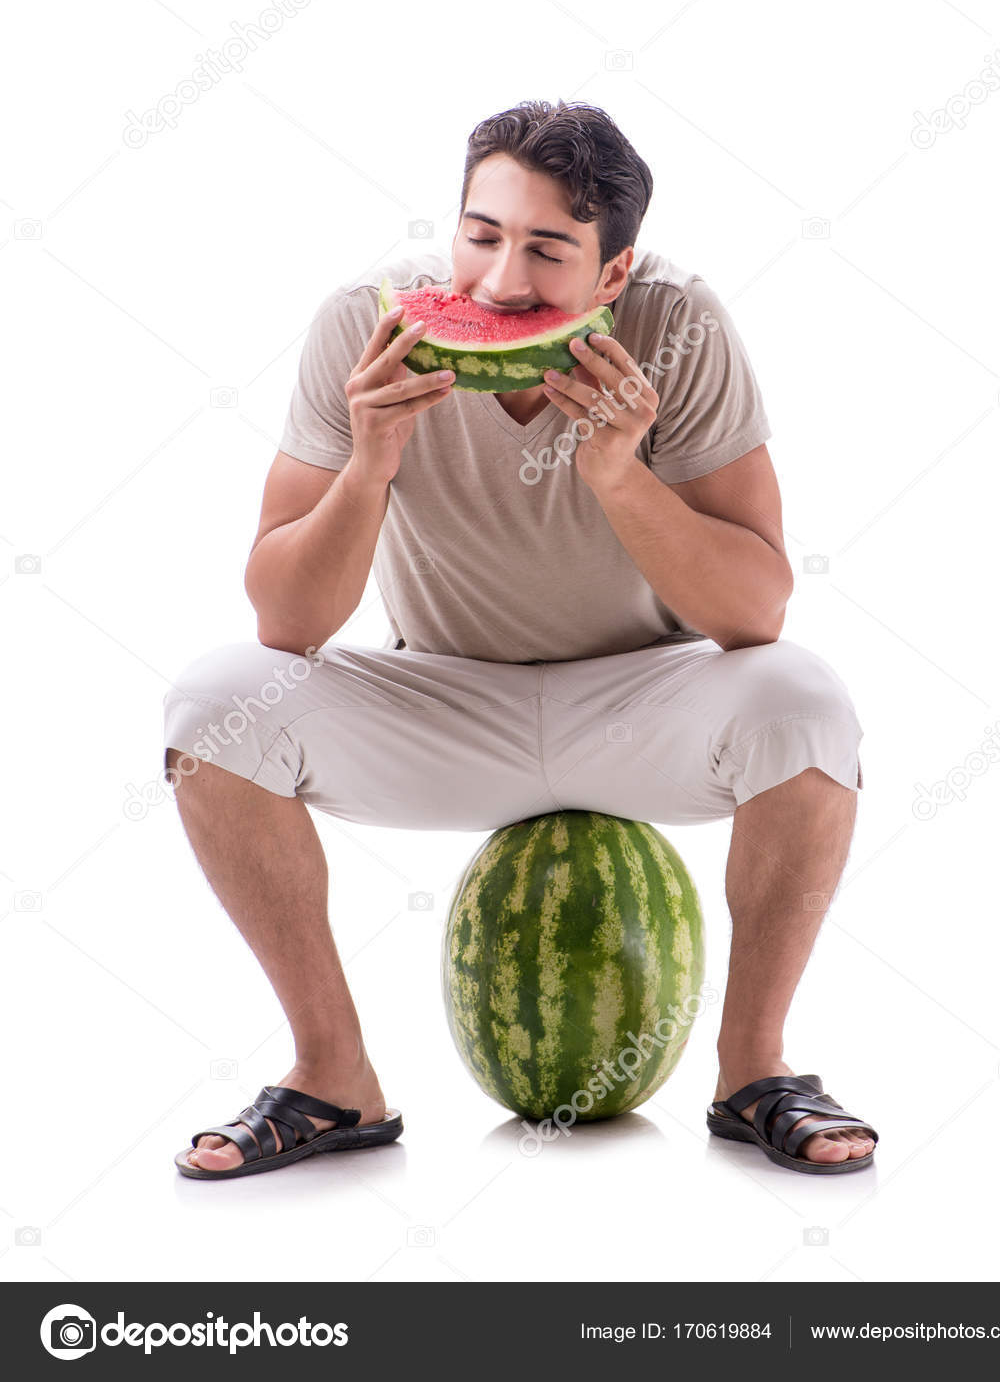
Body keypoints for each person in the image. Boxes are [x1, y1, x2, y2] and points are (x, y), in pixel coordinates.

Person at [164, 98, 877, 1180]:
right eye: (481, 235)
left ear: (615, 271)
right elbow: (287, 622)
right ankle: (332, 1076)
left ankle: (752, 1073)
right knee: (215, 701)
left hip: (644, 704)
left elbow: (754, 612)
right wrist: (370, 461)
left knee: (805, 699)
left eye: (546, 249)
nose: (499, 284)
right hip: (440, 704)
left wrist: (619, 475)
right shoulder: (367, 324)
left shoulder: (680, 324)